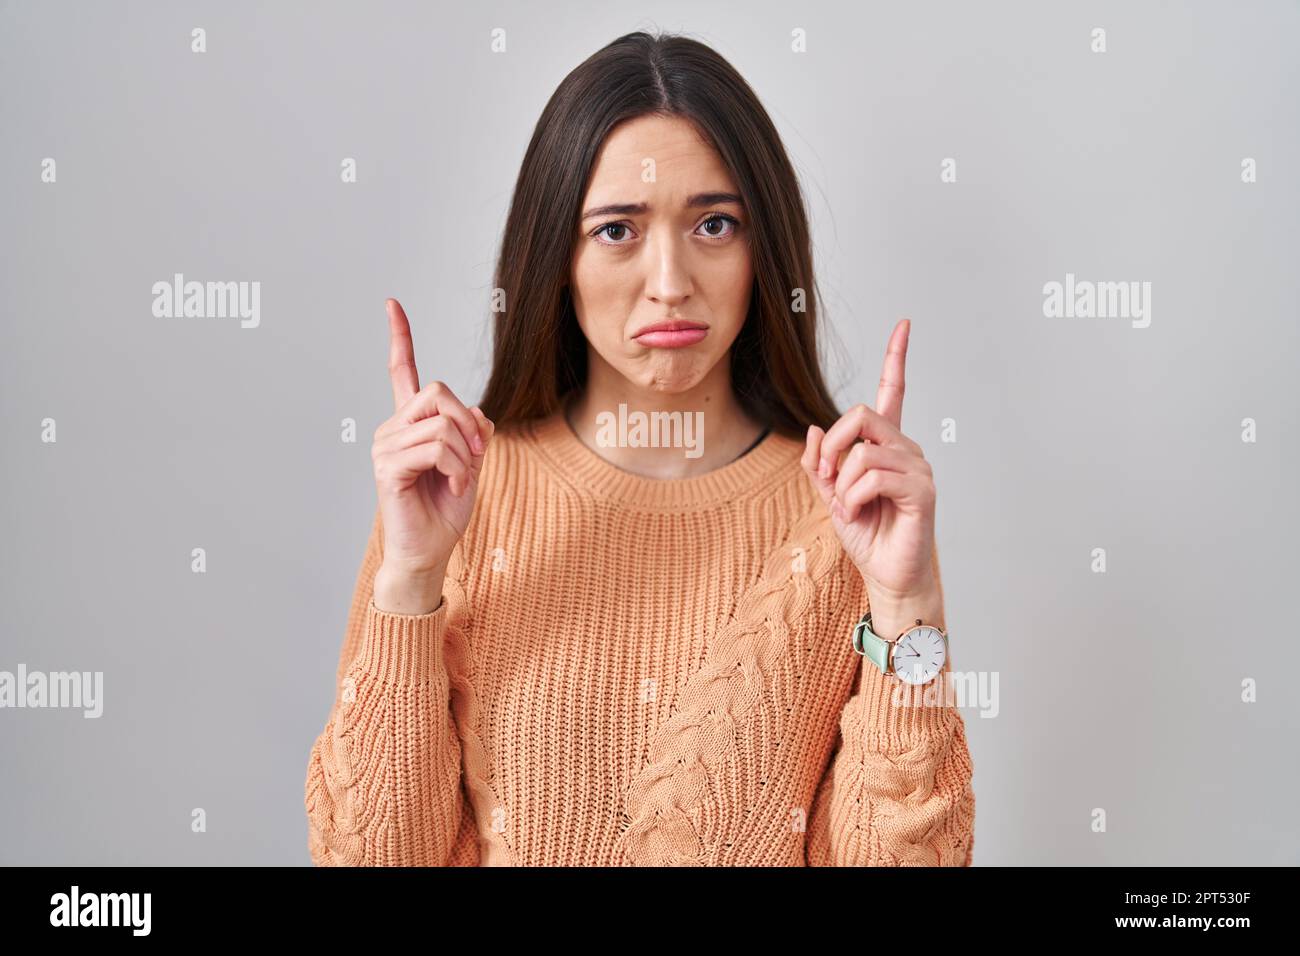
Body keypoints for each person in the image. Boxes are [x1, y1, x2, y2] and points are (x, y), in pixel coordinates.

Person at [304, 30, 974, 867]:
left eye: (715, 224)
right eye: (618, 230)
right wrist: (409, 579)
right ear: (556, 257)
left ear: (763, 249)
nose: (670, 279)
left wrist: (908, 601)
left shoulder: (846, 515)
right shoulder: (455, 494)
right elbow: (371, 860)